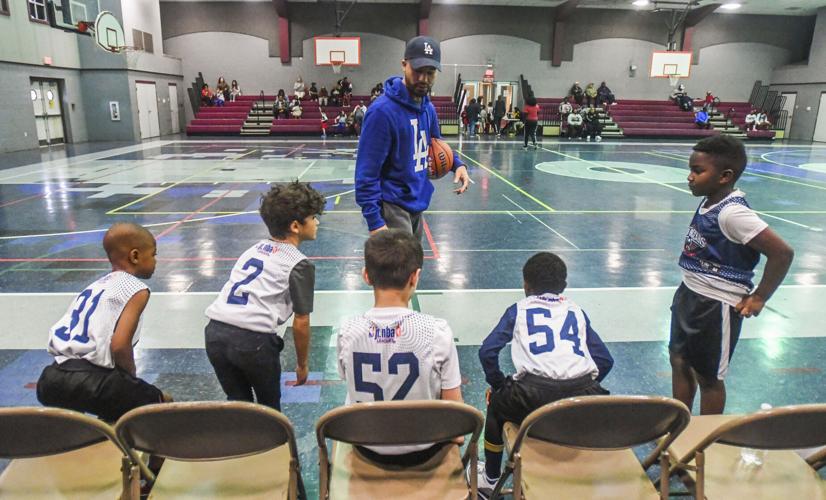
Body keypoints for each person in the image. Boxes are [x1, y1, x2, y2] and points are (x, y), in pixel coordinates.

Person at [472, 252, 613, 498]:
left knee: (495, 403)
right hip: (582, 395)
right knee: (587, 403)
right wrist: (579, 387)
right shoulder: (575, 310)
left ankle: (491, 478)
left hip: (531, 395)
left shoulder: (519, 309)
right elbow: (605, 360)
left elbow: (487, 351)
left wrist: (499, 384)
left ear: (526, 285)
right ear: (564, 286)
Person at [670, 135, 794, 415]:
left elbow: (782, 253)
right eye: (690, 169)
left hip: (715, 306)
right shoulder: (709, 201)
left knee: (709, 378)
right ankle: (677, 426)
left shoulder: (732, 214)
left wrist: (760, 296)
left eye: (698, 171)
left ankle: (702, 442)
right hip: (689, 294)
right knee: (678, 361)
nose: (690, 177)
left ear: (725, 176)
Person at [337, 229, 463, 465]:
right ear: (415, 277)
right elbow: (455, 421)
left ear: (366, 276)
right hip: (425, 450)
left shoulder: (348, 331)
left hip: (366, 448)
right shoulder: (437, 331)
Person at [204, 182, 325, 411]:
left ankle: (243, 444)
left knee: (240, 406)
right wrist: (302, 364)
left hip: (214, 335)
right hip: (253, 343)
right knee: (269, 410)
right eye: (313, 217)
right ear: (296, 226)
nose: (317, 222)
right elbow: (301, 321)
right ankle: (274, 446)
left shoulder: (253, 249)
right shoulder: (299, 264)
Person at [36, 223, 170, 422]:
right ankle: (130, 451)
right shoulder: (136, 289)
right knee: (162, 404)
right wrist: (130, 381)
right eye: (153, 254)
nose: (156, 260)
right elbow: (119, 345)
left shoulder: (95, 286)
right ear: (135, 256)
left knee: (84, 422)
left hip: (51, 378)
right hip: (91, 380)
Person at [354, 35, 471, 240]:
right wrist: (375, 222)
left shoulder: (427, 108)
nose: (424, 79)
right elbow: (366, 173)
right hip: (391, 206)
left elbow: (436, 142)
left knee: (412, 268)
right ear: (404, 65)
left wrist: (457, 164)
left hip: (417, 202)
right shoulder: (382, 112)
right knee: (397, 270)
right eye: (418, 71)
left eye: (430, 72)